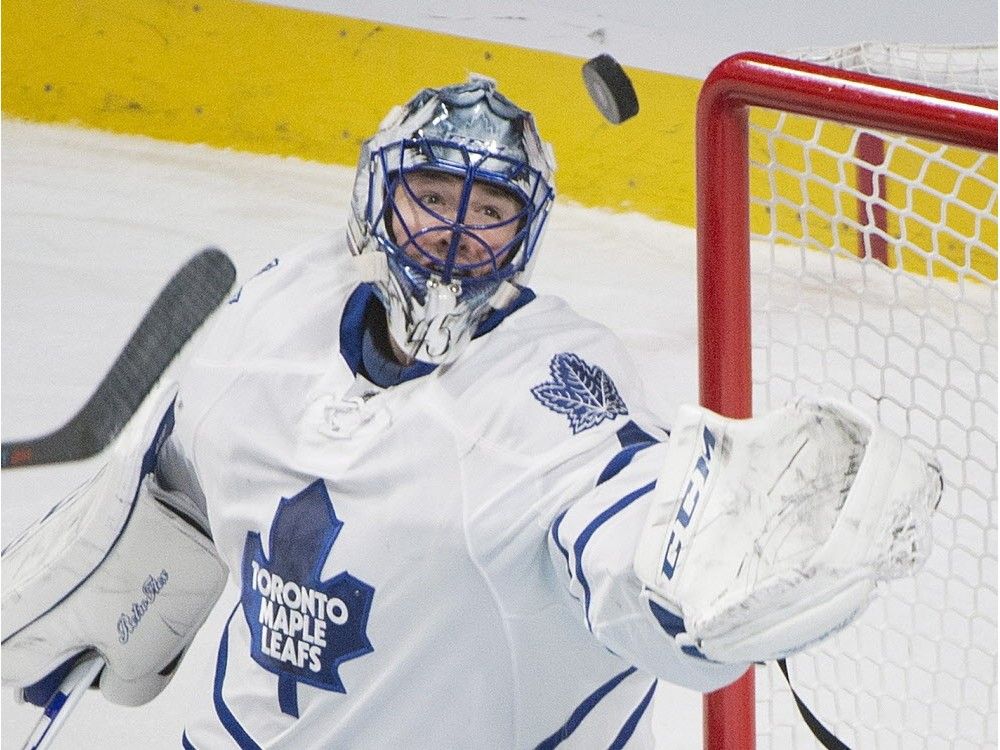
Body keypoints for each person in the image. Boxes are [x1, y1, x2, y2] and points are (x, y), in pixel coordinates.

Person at [2, 76, 941, 748]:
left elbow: (616, 526)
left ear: (525, 230)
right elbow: (185, 487)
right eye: (433, 195)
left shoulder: (555, 388)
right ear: (378, 194)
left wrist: (699, 587)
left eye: (489, 207)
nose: (456, 231)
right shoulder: (274, 313)